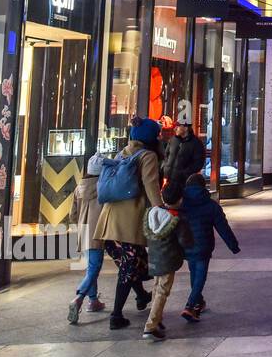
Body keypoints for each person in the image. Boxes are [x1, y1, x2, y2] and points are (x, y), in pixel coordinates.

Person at [94, 118, 163, 331]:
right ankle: (116, 315)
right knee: (129, 268)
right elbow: (151, 186)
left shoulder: (122, 153)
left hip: (108, 221)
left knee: (133, 263)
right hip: (128, 223)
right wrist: (160, 209)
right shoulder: (148, 156)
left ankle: (141, 295)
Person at [179, 173, 241, 322]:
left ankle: (198, 302)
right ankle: (190, 306)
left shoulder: (181, 203)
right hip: (203, 245)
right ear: (203, 186)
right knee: (200, 276)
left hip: (186, 244)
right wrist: (233, 245)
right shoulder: (211, 205)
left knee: (194, 274)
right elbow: (223, 228)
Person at [142, 182, 193, 341]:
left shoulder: (152, 213)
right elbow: (186, 241)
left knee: (157, 288)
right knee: (163, 291)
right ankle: (150, 327)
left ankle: (158, 320)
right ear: (180, 199)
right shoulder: (177, 219)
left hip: (154, 259)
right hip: (168, 260)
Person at [68, 155, 107, 323]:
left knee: (91, 266)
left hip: (83, 231)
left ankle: (93, 300)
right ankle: (79, 297)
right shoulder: (103, 187)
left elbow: (72, 215)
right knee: (94, 268)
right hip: (97, 231)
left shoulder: (79, 187)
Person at [162, 119, 206, 195]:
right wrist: (165, 168)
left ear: (186, 128)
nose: (175, 128)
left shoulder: (196, 143)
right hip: (169, 179)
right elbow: (166, 155)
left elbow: (198, 163)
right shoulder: (173, 140)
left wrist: (184, 173)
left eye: (178, 126)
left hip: (184, 182)